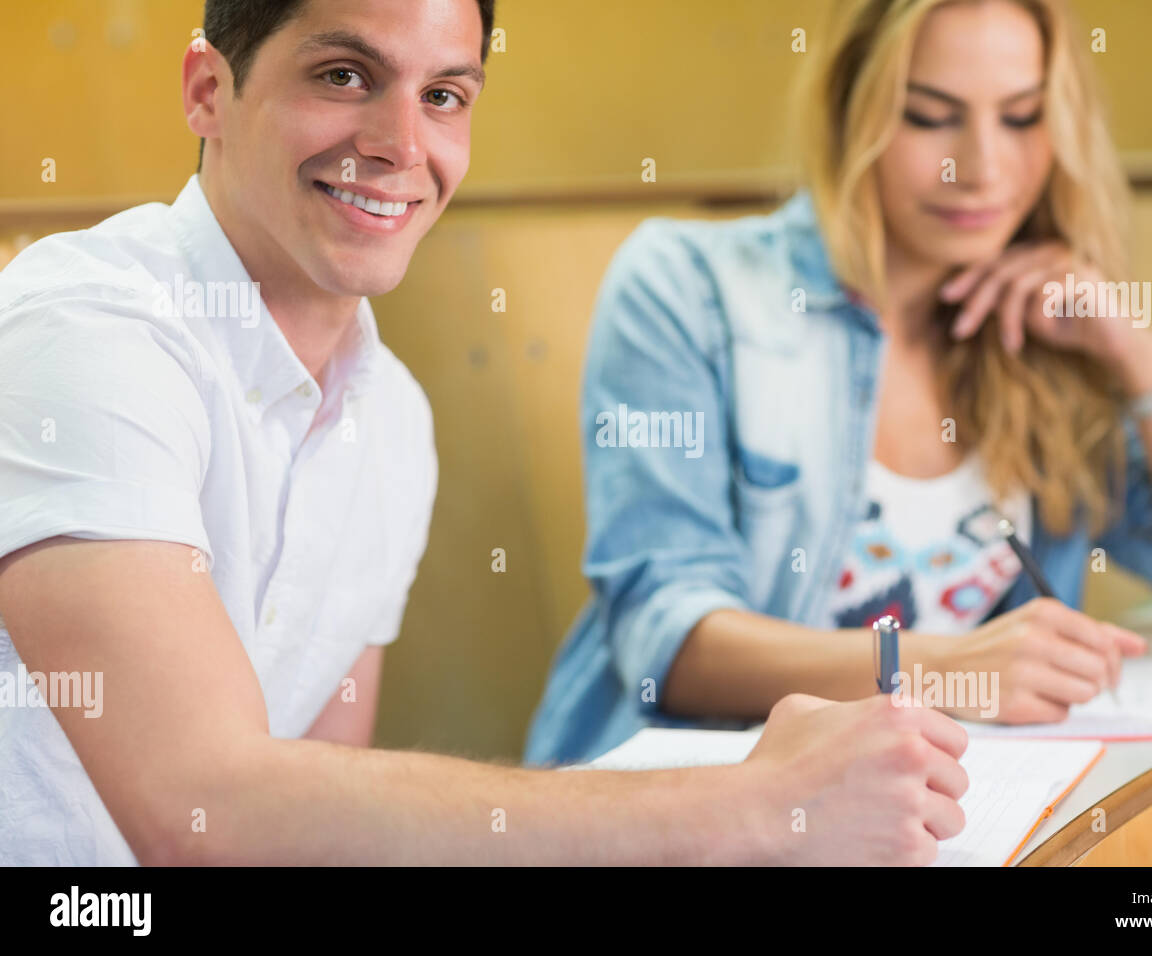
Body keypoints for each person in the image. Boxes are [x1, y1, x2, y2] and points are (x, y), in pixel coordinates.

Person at [0, 0, 970, 866]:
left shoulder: (392, 419)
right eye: (344, 76)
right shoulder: (83, 331)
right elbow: (207, 808)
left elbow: (318, 820)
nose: (399, 143)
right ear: (208, 88)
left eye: (445, 95)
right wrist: (751, 806)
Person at [524, 0, 1152, 766]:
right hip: (692, 810)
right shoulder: (687, 288)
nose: (982, 166)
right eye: (928, 117)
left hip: (937, 820)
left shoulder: (1042, 340)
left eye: (1021, 117)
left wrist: (1136, 356)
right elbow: (669, 640)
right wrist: (937, 671)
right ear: (850, 111)